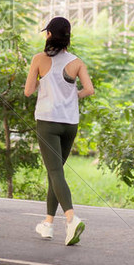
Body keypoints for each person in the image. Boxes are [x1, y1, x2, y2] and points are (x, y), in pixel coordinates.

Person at [24, 17, 94, 246]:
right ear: (68, 37)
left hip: (48, 121)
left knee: (55, 172)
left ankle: (71, 219)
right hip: (70, 123)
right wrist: (74, 95)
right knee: (56, 173)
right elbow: (89, 90)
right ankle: (47, 224)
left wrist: (41, 81)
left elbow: (28, 91)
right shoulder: (77, 62)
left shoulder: (38, 59)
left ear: (49, 35)